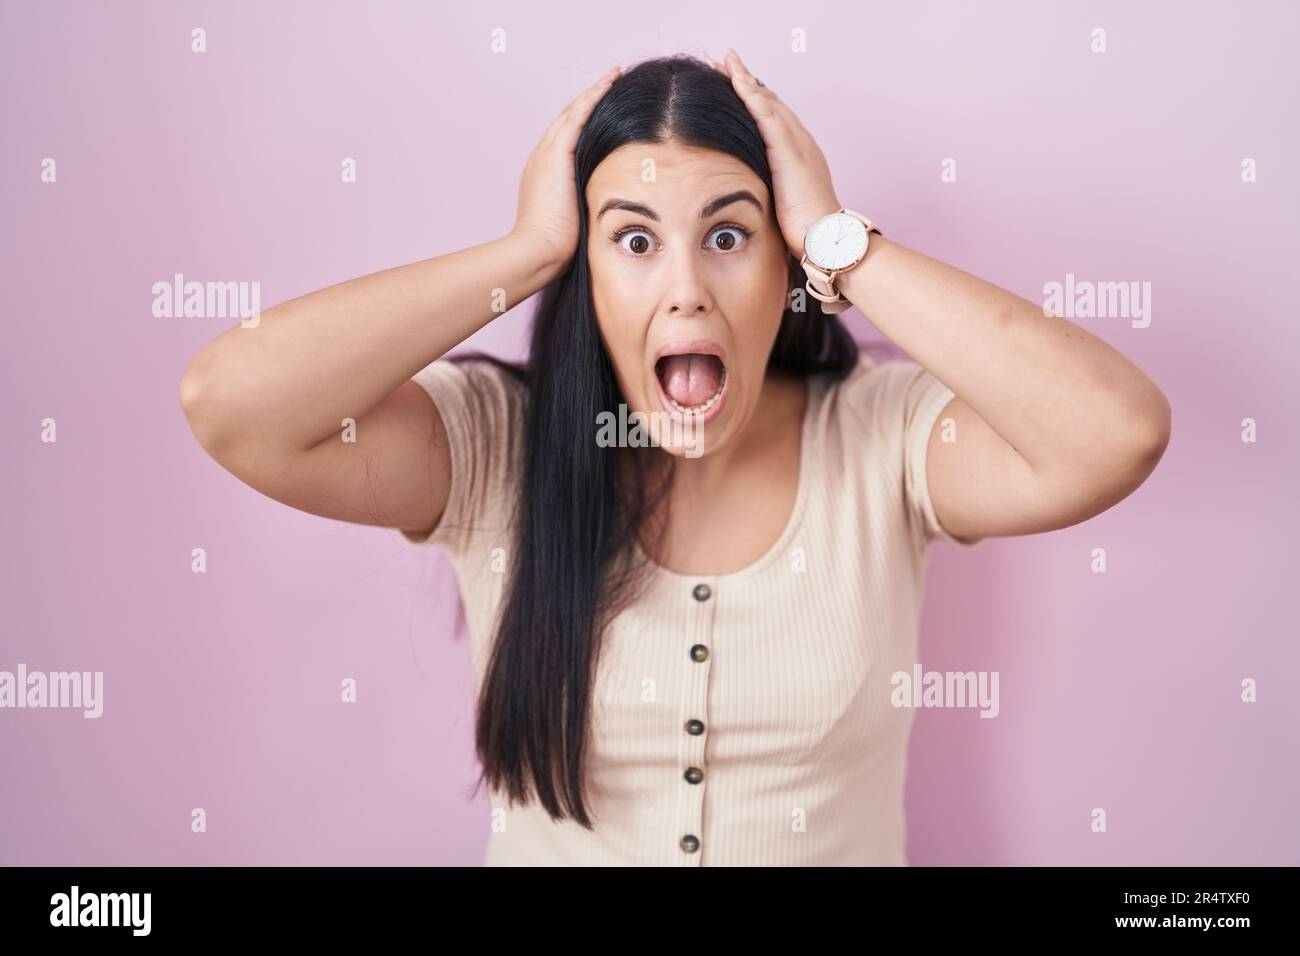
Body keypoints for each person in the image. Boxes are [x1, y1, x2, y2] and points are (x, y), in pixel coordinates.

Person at [179, 49, 1171, 866]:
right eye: (635, 241)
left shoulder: (884, 437)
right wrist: (524, 252)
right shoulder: (491, 447)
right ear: (587, 268)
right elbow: (230, 403)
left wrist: (843, 243)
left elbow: (1115, 431)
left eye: (730, 235)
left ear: (784, 259)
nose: (687, 289)